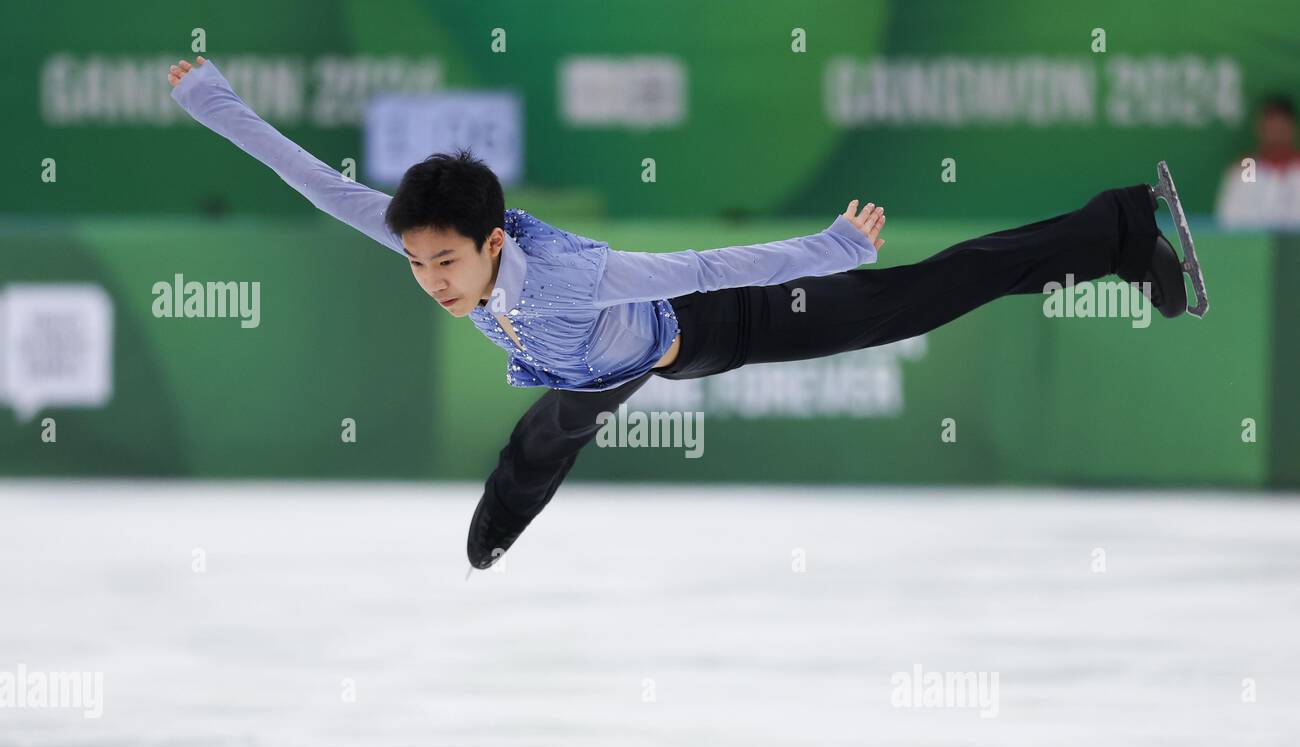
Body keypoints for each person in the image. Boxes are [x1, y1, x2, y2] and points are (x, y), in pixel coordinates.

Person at [168, 56, 1201, 572]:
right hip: (596, 365)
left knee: (911, 298)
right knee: (552, 424)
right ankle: (496, 526)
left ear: (492, 247)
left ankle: (1115, 233)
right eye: (418, 265)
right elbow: (310, 179)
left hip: (723, 321)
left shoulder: (573, 277)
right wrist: (209, 96)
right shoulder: (431, 245)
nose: (432, 281)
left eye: (446, 262)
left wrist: (830, 250)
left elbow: (704, 264)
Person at [1216, 94, 1300, 228]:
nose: (1277, 133)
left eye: (1282, 126)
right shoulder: (1244, 169)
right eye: (1272, 126)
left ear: (1293, 128)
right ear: (1261, 128)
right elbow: (1228, 224)